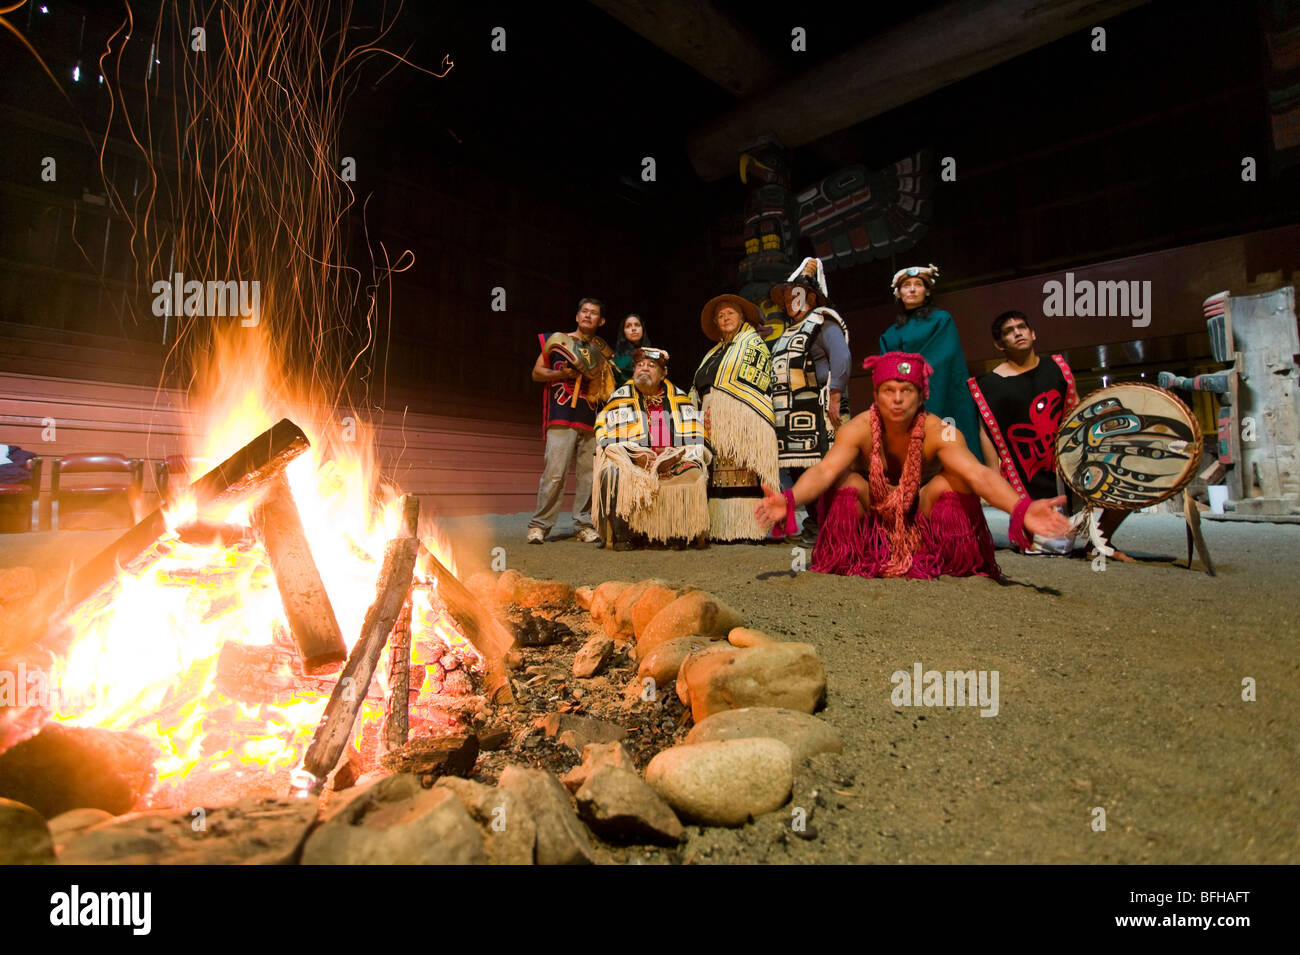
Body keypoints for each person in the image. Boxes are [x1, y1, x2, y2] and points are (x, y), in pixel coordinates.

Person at [754, 351, 1073, 579]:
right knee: (843, 482)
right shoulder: (858, 428)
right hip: (874, 514)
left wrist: (1021, 509)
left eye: (907, 390)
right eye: (888, 390)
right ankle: (849, 557)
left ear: (921, 395)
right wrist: (790, 498)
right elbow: (824, 470)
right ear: (876, 394)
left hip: (921, 515)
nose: (897, 399)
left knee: (957, 481)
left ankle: (952, 558)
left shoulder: (940, 430)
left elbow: (977, 473)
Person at [966, 310, 1079, 554]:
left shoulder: (1057, 367)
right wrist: (993, 475)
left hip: (1062, 459)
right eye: (1008, 331)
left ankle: (1101, 541)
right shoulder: (988, 385)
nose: (1017, 333)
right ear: (999, 344)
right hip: (1024, 465)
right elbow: (987, 430)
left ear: (1033, 333)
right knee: (1047, 546)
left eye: (1021, 327)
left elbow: (1075, 409)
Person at [768, 256, 852, 546]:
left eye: (799, 294)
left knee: (822, 468)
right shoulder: (785, 334)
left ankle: (830, 525)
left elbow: (841, 357)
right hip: (788, 417)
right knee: (798, 469)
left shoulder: (823, 322)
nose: (793, 300)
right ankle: (815, 523)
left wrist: (835, 396)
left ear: (812, 297)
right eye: (789, 296)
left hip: (817, 412)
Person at [594, 347, 711, 550]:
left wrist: (676, 457)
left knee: (692, 471)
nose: (644, 369)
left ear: (663, 373)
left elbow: (698, 438)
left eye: (651, 365)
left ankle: (678, 533)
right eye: (640, 365)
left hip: (671, 463)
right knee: (611, 472)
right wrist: (632, 455)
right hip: (631, 463)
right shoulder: (619, 398)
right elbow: (604, 435)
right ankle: (625, 535)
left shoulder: (679, 399)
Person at [691, 293, 778, 542]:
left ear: (741, 317)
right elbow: (698, 385)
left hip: (743, 415)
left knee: (743, 468)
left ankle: (749, 529)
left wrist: (734, 413)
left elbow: (753, 382)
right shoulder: (712, 354)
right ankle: (721, 528)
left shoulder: (753, 344)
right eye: (720, 315)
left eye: (730, 313)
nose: (725, 318)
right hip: (710, 415)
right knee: (718, 472)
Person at [527, 297, 614, 544]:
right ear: (577, 316)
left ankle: (583, 524)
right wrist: (561, 373)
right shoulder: (556, 341)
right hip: (561, 414)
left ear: (601, 320)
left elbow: (607, 384)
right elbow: (536, 373)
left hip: (590, 417)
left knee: (587, 475)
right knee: (555, 473)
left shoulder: (602, 350)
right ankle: (540, 525)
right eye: (583, 311)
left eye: (593, 313)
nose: (587, 316)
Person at [880, 264, 981, 455]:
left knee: (949, 441)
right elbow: (886, 368)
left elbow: (944, 355)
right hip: (902, 393)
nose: (912, 289)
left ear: (927, 292)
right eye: (906, 285)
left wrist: (909, 374)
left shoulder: (942, 320)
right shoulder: (889, 334)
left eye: (918, 284)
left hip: (938, 388)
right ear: (898, 294)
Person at [611, 313, 651, 387]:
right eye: (628, 326)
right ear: (623, 332)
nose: (633, 329)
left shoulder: (653, 354)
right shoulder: (616, 358)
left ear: (643, 329)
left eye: (637, 325)